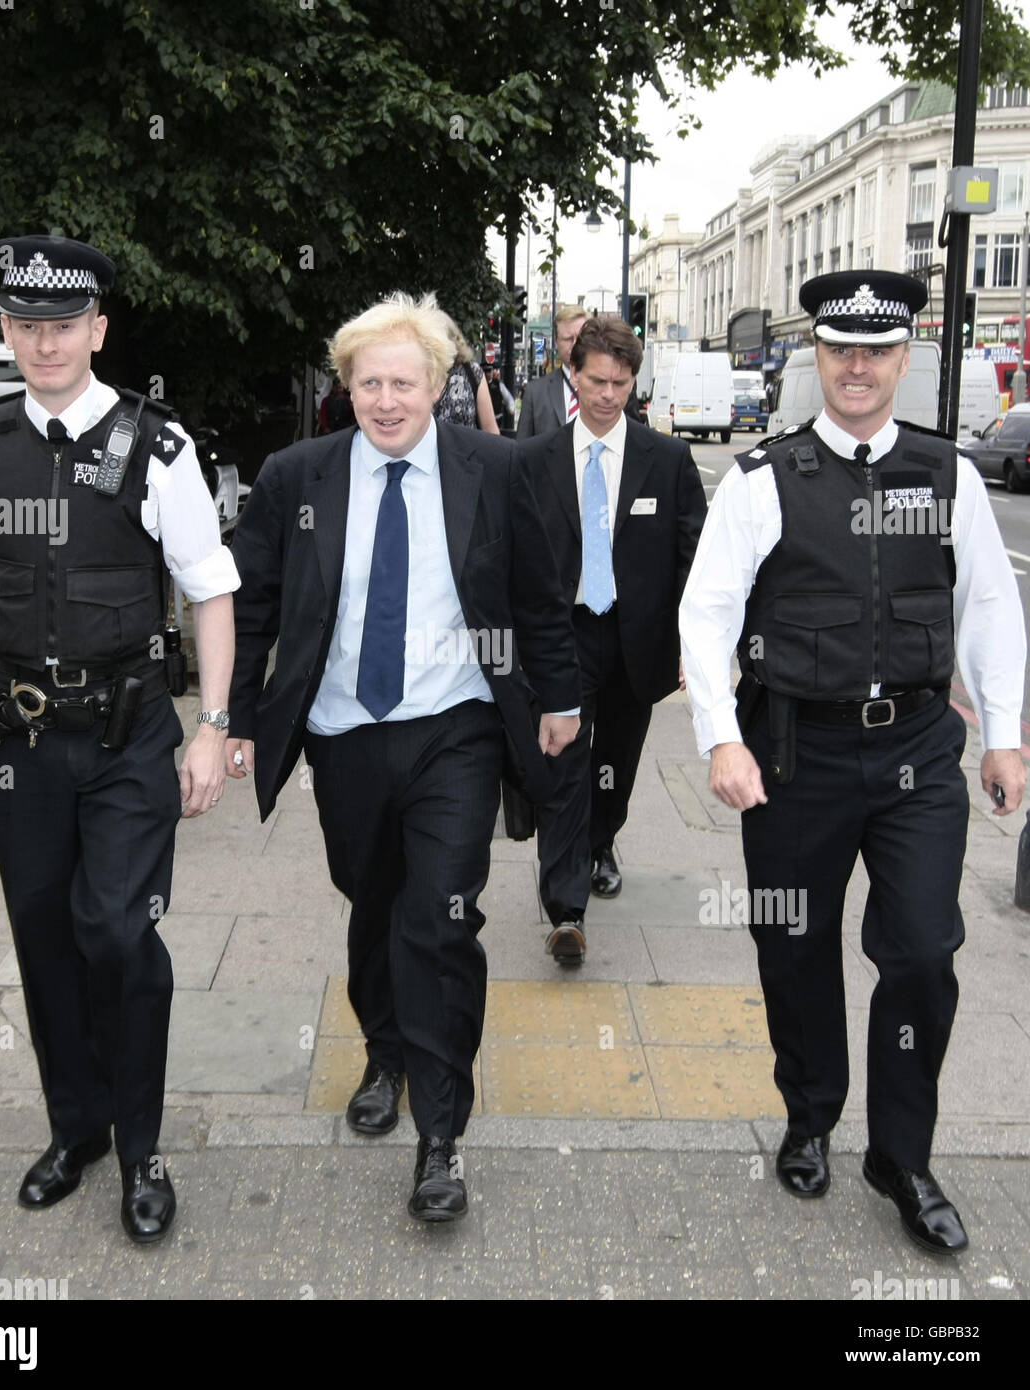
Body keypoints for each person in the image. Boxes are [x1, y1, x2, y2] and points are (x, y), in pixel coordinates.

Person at [0, 235, 239, 1244]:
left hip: (130, 736)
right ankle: (75, 1128)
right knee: (45, 938)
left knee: (117, 932)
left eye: (63, 325)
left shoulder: (158, 446)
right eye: (25, 324)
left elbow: (210, 589)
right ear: (7, 330)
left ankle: (143, 1146)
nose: (44, 342)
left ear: (97, 328)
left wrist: (213, 726)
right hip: (18, 743)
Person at [678, 270, 1026, 1254]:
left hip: (917, 749)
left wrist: (1001, 730)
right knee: (793, 947)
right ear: (817, 358)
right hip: (795, 753)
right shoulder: (763, 480)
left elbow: (990, 606)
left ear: (903, 358)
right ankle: (810, 1112)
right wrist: (721, 736)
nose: (858, 366)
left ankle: (902, 1156)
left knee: (921, 950)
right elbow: (704, 614)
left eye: (877, 350)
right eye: (840, 350)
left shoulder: (942, 475)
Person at [227, 291, 580, 1221]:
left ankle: (441, 1135)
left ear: (438, 387)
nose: (387, 400)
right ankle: (384, 1050)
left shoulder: (494, 469)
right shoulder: (296, 477)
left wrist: (562, 698)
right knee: (375, 903)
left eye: (404, 382)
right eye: (369, 382)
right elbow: (252, 601)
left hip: (454, 728)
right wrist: (233, 717)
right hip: (343, 733)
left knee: (441, 918)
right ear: (346, 387)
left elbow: (542, 594)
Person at [520, 317, 706, 965]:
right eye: (596, 380)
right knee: (564, 763)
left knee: (615, 768)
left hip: (636, 640)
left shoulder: (668, 460)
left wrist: (693, 644)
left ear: (634, 381)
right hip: (562, 638)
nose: (607, 394)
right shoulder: (536, 461)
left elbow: (693, 560)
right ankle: (567, 907)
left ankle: (602, 842)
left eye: (620, 383)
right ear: (573, 375)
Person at [515, 305, 588, 438]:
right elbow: (522, 450)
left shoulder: (611, 386)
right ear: (556, 342)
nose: (575, 344)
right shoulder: (535, 392)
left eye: (581, 338)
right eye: (568, 339)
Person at [433, 305, 499, 433]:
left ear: (454, 340)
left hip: (466, 451)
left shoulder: (472, 371)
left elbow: (491, 431)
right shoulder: (415, 372)